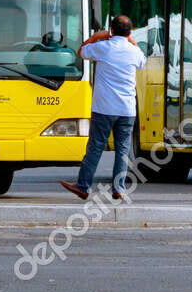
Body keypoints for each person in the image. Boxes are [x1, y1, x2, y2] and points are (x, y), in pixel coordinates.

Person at [60, 15, 145, 201]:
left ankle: (83, 186)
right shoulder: (134, 51)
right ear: (130, 32)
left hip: (104, 108)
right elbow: (142, 60)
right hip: (127, 110)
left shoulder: (103, 47)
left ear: (111, 31)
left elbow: (81, 51)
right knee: (122, 150)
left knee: (95, 148)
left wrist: (96, 36)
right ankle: (119, 188)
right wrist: (130, 39)